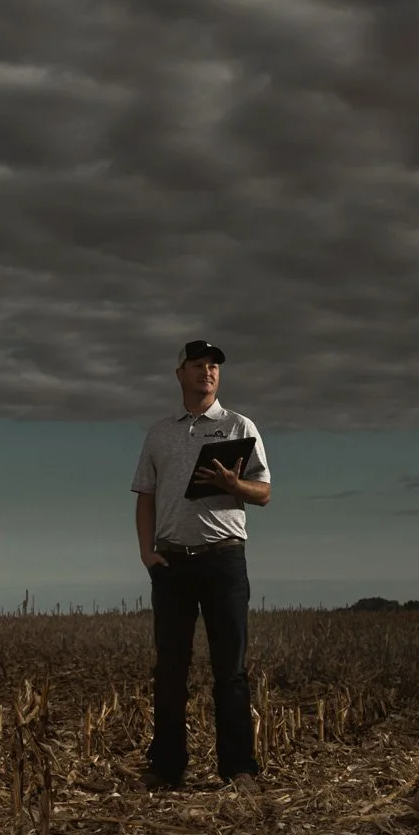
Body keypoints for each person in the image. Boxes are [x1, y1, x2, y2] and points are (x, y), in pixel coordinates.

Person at [130, 339, 272, 791]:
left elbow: (264, 493)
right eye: (198, 366)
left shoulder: (238, 426)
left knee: (229, 670)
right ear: (181, 374)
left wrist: (235, 483)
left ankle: (239, 770)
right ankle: (166, 769)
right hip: (172, 565)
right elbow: (145, 497)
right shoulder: (159, 433)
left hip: (223, 561)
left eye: (214, 367)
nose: (207, 373)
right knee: (170, 670)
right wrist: (147, 553)